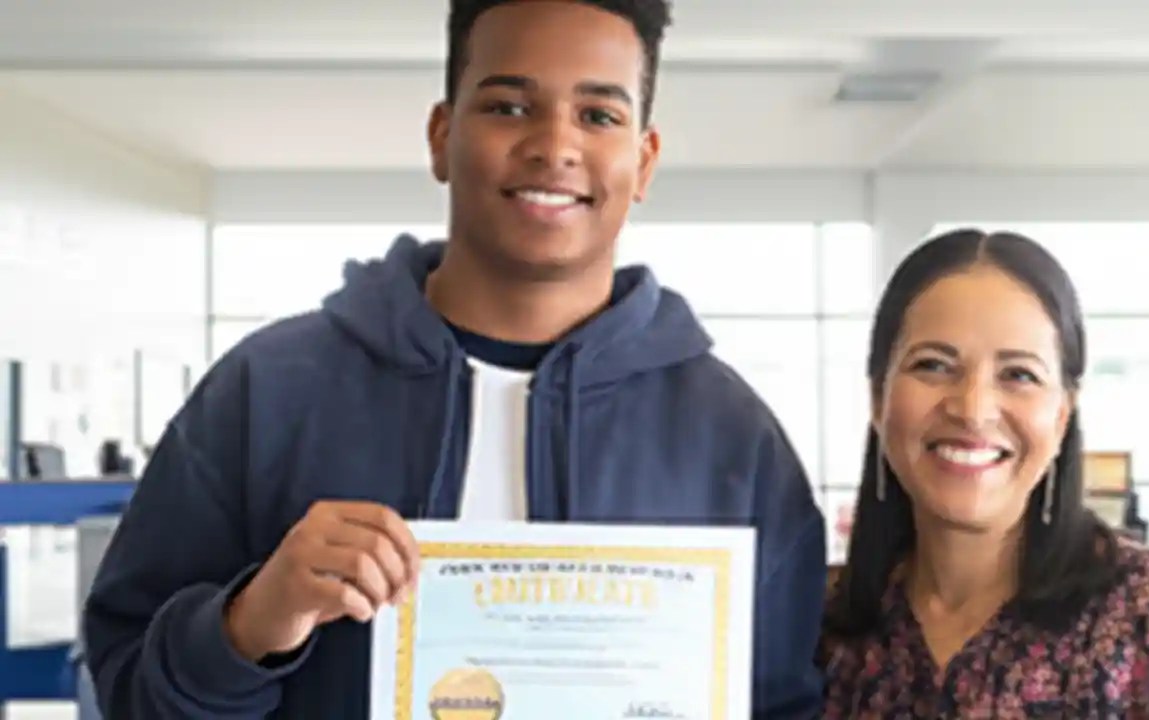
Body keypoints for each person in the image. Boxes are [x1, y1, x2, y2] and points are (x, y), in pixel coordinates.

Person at [80, 1, 827, 718]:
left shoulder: (732, 439)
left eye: (599, 116)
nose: (554, 146)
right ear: (441, 136)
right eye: (508, 106)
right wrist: (249, 625)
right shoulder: (267, 391)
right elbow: (127, 690)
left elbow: (783, 704)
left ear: (645, 158)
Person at [821, 229, 1149, 718]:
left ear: (1063, 414)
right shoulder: (828, 632)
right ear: (878, 397)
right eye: (934, 365)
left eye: (1019, 374)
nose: (974, 409)